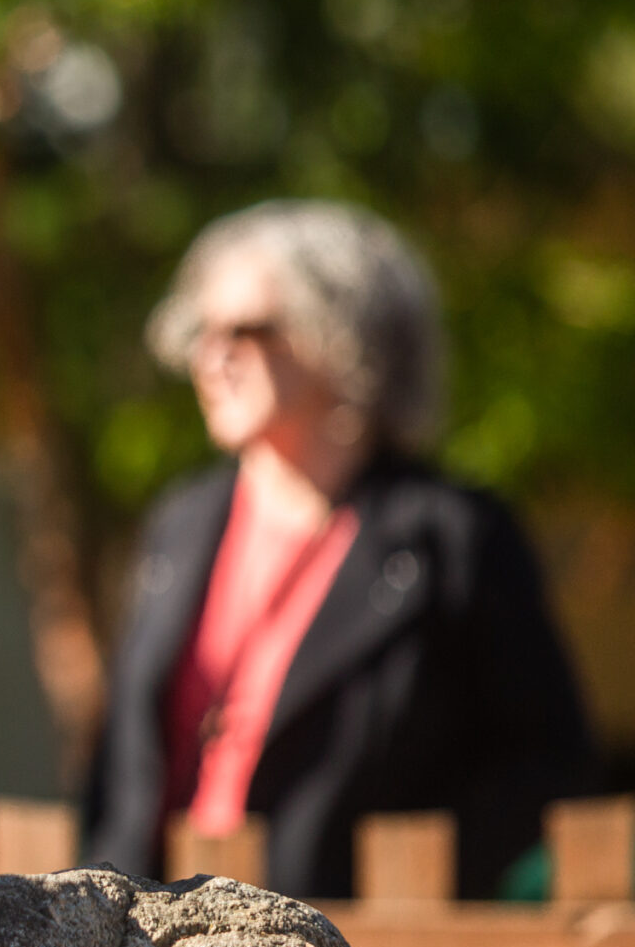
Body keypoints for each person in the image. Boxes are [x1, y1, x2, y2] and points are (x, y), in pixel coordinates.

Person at [83, 200, 595, 900]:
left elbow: (548, 762)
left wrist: (407, 894)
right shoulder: (181, 521)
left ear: (345, 334)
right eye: (200, 331)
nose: (211, 356)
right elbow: (120, 763)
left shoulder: (453, 538)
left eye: (246, 330)